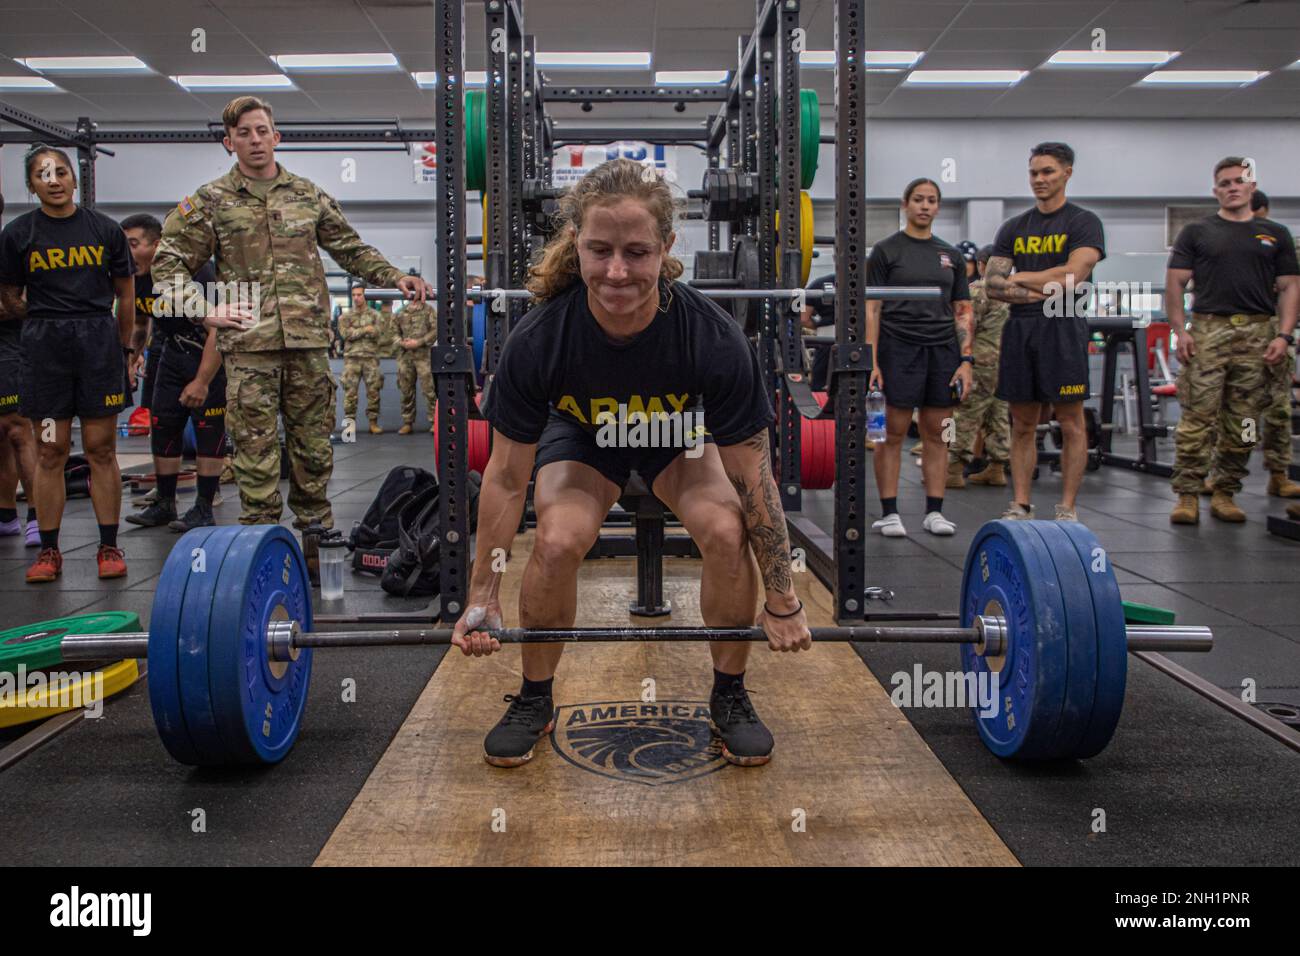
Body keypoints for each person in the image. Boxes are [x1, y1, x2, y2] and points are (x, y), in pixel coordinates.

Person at [451, 159, 808, 769]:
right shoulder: (539, 340)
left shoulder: (711, 337)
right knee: (560, 541)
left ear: (667, 247)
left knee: (725, 530)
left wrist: (783, 596)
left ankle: (730, 694)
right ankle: (535, 699)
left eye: (637, 253)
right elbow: (507, 480)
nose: (617, 271)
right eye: (600, 250)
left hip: (674, 433)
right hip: (584, 435)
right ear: (578, 246)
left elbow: (754, 478)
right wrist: (483, 593)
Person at [152, 96, 429, 529]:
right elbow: (165, 263)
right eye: (243, 134)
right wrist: (205, 310)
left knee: (314, 448)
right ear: (230, 143)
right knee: (255, 452)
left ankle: (316, 548)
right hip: (249, 346)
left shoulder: (307, 195)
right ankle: (262, 549)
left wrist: (394, 277)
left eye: (262, 131)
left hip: (308, 343)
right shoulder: (210, 201)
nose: (255, 140)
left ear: (276, 137)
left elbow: (350, 248)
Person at [0, 144, 135, 582]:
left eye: (60, 171)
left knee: (101, 448)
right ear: (31, 184)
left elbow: (126, 295)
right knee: (50, 448)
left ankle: (109, 547)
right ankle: (50, 551)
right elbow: (9, 296)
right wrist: (42, 322)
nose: (53, 179)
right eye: (43, 173)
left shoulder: (104, 230)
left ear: (75, 180)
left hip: (98, 347)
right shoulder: (18, 234)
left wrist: (124, 350)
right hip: (45, 353)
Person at [1166, 159, 1299, 524]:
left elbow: (1289, 288)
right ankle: (1188, 495)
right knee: (1197, 418)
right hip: (1209, 331)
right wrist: (1180, 330)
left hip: (1258, 334)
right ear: (1216, 191)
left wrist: (1284, 336)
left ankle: (1225, 491)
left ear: (1251, 187)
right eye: (1224, 183)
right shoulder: (1197, 231)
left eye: (1239, 181)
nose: (1232, 187)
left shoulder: (1275, 234)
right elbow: (1175, 283)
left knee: (1246, 422)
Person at [985, 142, 1105, 522]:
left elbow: (1073, 277)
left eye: (1048, 172)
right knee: (1022, 422)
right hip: (1021, 330)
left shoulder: (1083, 222)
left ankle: (1067, 507)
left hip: (1064, 326)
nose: (1039, 180)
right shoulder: (1014, 227)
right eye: (1034, 172)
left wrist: (1019, 278)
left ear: (1067, 172)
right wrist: (1045, 285)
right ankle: (1020, 503)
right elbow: (992, 285)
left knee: (1071, 421)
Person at [864, 178, 972, 537]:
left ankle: (934, 512)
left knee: (939, 434)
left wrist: (966, 360)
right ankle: (890, 512)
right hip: (898, 346)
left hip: (942, 350)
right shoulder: (885, 251)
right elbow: (873, 308)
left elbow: (962, 310)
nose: (925, 206)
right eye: (918, 199)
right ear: (905, 204)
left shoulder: (951, 255)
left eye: (932, 200)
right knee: (889, 433)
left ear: (938, 207)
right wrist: (872, 360)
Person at [120, 214, 226, 531]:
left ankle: (204, 507)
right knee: (163, 423)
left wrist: (202, 381)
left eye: (134, 244)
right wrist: (130, 358)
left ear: (157, 244)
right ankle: (165, 504)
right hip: (170, 353)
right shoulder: (138, 275)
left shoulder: (193, 274)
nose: (127, 251)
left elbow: (218, 333)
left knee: (208, 428)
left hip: (207, 355)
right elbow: (141, 322)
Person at [1199, 189, 1300, 502]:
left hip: (1273, 333)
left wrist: (1284, 335)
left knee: (1278, 407)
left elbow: (1292, 291)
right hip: (1230, 334)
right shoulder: (1219, 243)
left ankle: (1279, 474)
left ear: (1264, 212)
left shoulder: (1282, 244)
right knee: (1225, 408)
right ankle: (1219, 474)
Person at [948, 245, 1011, 488]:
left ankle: (951, 469)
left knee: (960, 414)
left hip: (978, 363)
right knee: (998, 415)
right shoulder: (1017, 290)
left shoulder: (977, 291)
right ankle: (997, 468)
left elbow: (964, 326)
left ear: (983, 265)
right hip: (1005, 363)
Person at [0, 188, 39, 547]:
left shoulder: (11, 242)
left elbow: (20, 303)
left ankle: (38, 517)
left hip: (9, 345)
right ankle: (6, 514)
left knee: (16, 429)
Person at [392, 273, 438, 435]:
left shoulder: (428, 311)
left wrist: (419, 342)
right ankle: (407, 422)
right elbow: (393, 333)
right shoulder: (400, 313)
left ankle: (434, 421)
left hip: (423, 356)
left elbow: (436, 330)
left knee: (429, 390)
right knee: (406, 390)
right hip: (405, 357)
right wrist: (402, 342)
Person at [338, 284, 386, 435]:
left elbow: (379, 333)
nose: (356, 298)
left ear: (365, 296)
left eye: (359, 294)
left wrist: (355, 332)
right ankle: (349, 427)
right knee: (349, 394)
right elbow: (346, 335)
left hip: (370, 358)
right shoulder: (345, 316)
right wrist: (365, 329)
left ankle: (373, 423)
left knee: (374, 392)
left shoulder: (375, 315)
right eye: (354, 295)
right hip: (351, 359)